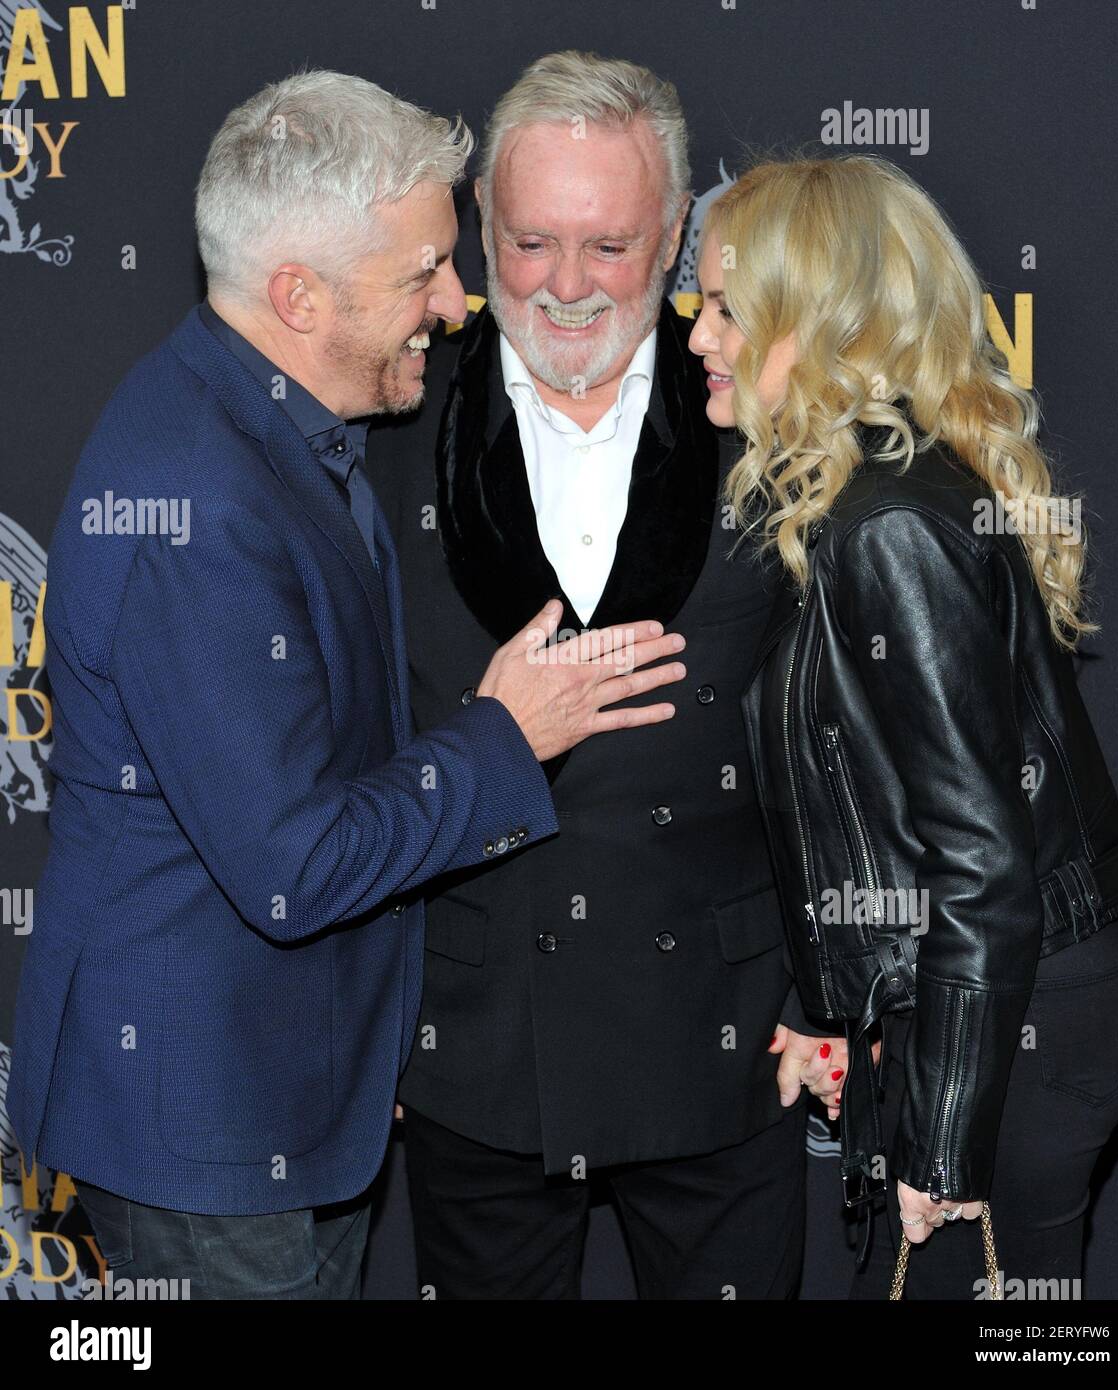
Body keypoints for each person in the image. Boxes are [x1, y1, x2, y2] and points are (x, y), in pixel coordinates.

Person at [6, 70, 687, 1301]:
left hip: (292, 1087)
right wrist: (501, 736)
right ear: (298, 294)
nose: (456, 296)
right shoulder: (199, 504)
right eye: (422, 271)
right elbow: (293, 865)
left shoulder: (279, 424)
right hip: (204, 1123)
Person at [367, 51, 847, 1301]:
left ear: (679, 232)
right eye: (530, 242)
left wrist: (832, 983)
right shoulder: (380, 433)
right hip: (472, 1056)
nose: (567, 287)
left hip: (731, 1046)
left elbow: (855, 737)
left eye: (611, 247)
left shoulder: (780, 421)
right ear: (479, 231)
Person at [690, 153, 1118, 1298]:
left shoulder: (885, 524)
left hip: (1017, 1026)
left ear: (818, 322)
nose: (697, 336)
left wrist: (940, 1142)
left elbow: (981, 860)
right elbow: (890, 816)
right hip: (986, 1006)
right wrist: (845, 1012)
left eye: (727, 310)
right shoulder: (869, 497)